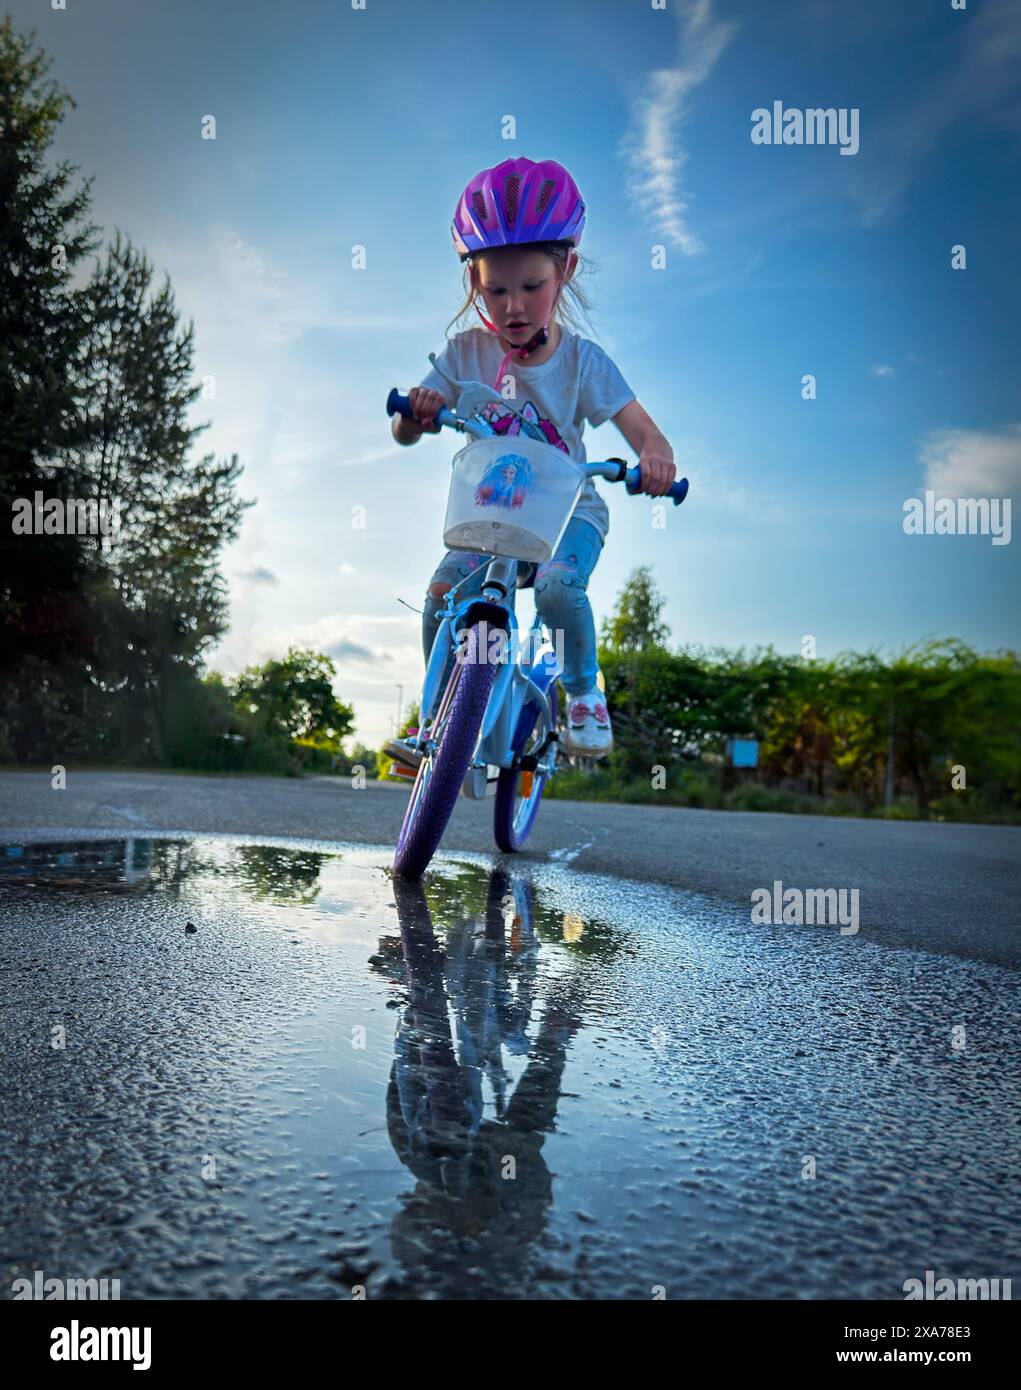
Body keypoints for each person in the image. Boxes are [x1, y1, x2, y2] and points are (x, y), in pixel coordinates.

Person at [388, 157, 675, 761]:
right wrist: (417, 411)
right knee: (443, 593)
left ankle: (581, 693)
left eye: (531, 287)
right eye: (496, 289)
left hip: (567, 513)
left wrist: (654, 459)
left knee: (557, 590)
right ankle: (436, 715)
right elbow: (404, 431)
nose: (513, 306)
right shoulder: (464, 353)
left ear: (565, 271)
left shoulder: (583, 364)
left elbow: (647, 435)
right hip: (491, 513)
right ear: (475, 283)